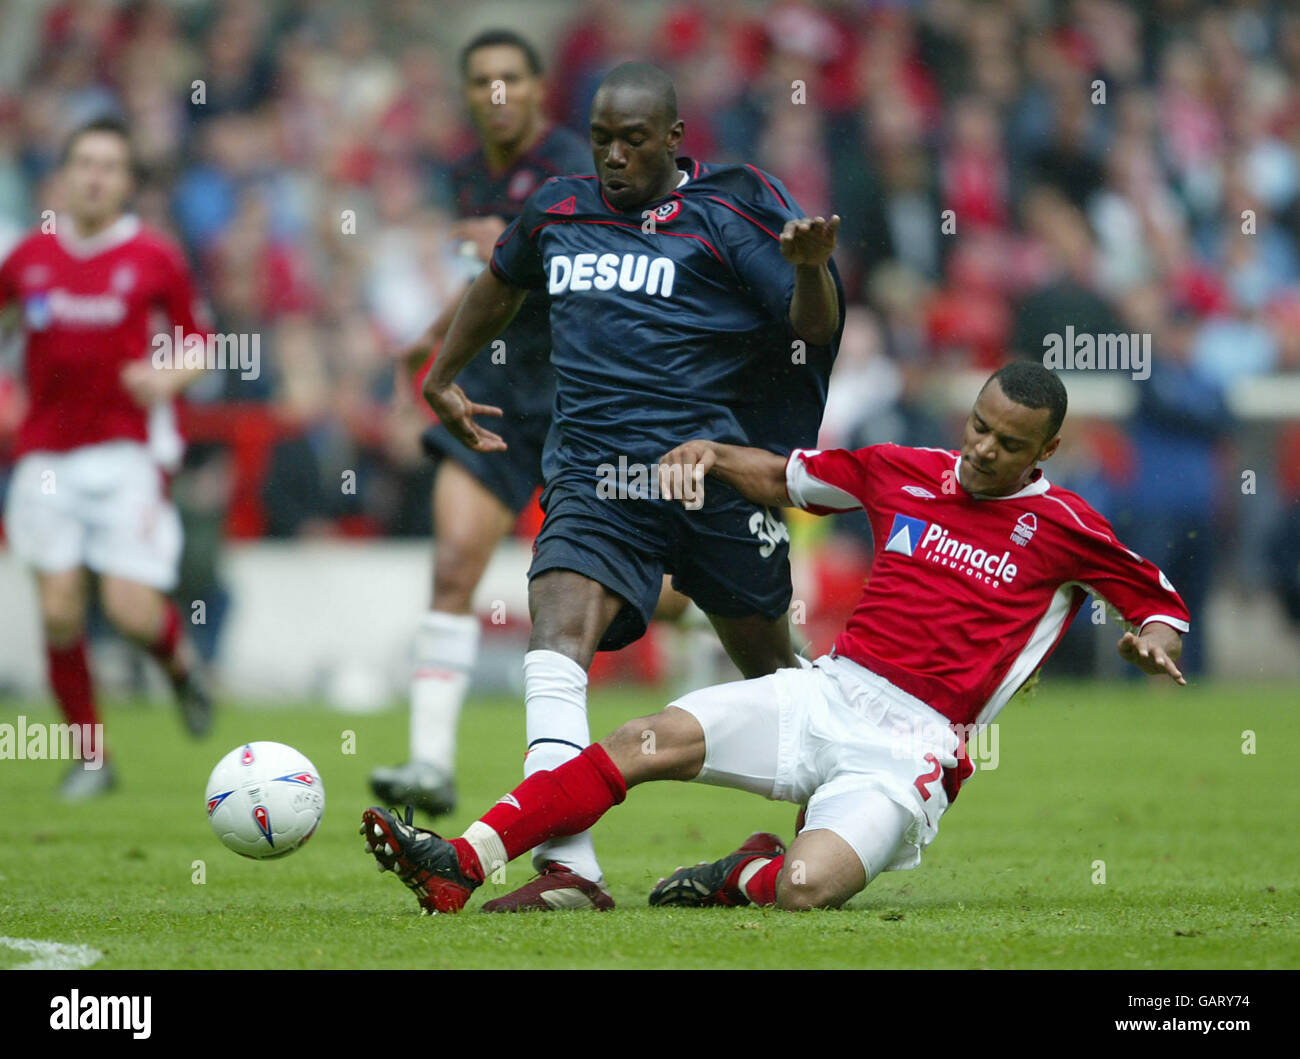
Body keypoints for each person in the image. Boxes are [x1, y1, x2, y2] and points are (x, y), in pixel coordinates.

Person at [361, 362, 1190, 914]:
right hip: (827, 688)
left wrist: (1152, 638)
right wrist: (711, 454)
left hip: (912, 750)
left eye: (1007, 444)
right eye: (977, 426)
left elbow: (1159, 603)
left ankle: (739, 871)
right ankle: (460, 863)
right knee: (644, 737)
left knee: (801, 888)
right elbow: (788, 474)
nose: (981, 449)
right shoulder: (903, 468)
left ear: (1045, 450)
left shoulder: (1067, 527)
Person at [415, 61, 845, 910]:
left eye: (633, 141)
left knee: (771, 670)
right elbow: (498, 283)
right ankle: (569, 871)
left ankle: (829, 820)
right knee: (555, 637)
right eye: (603, 138)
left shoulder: (724, 216)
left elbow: (810, 325)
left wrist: (809, 270)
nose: (613, 156)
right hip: (594, 473)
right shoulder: (558, 209)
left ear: (675, 138)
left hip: (711, 472)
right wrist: (444, 375)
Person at [368, 30, 592, 819]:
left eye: (511, 79)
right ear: (467, 94)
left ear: (537, 89)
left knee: (647, 593)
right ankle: (430, 762)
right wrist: (434, 340)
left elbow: (572, 264)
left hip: (578, 393)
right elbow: (491, 280)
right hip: (495, 387)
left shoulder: (577, 161)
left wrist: (499, 232)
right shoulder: (467, 172)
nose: (497, 94)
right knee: (455, 558)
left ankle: (706, 615)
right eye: (481, 82)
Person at [0, 116, 213, 799]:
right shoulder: (27, 259)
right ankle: (92, 757)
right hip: (44, 454)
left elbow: (199, 345)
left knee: (128, 610)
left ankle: (179, 664)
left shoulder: (154, 257)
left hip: (127, 452)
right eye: (83, 162)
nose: (94, 176)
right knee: (60, 609)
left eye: (109, 165)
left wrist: (166, 377)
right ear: (63, 175)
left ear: (125, 181)